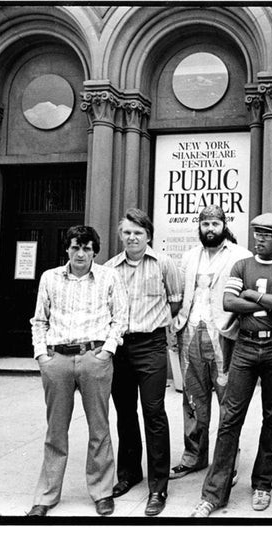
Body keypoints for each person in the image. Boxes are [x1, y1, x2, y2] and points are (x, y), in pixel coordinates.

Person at [191, 213, 272, 517]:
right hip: (246, 345)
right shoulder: (242, 265)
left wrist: (252, 295)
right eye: (257, 234)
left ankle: (262, 483)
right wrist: (266, 299)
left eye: (267, 235)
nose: (260, 239)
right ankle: (214, 494)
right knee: (230, 418)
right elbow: (230, 303)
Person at [28, 225, 128, 517]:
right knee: (55, 431)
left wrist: (107, 350)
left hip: (93, 357)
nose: (80, 253)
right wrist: (41, 355)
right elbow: (39, 320)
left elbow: (120, 318)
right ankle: (46, 496)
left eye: (86, 248)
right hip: (57, 359)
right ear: (67, 250)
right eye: (75, 247)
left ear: (95, 251)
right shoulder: (50, 278)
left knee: (99, 427)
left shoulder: (109, 277)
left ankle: (102, 493)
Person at [106, 208, 183, 516]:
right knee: (125, 411)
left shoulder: (164, 264)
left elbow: (175, 302)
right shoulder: (110, 268)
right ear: (121, 235)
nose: (132, 237)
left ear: (148, 235)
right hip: (120, 347)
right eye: (127, 232)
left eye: (138, 232)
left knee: (154, 412)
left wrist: (154, 323)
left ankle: (158, 485)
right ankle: (129, 473)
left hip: (151, 345)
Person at [170, 205, 251, 481]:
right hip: (191, 330)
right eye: (205, 224)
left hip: (225, 333)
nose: (210, 229)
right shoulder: (190, 256)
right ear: (200, 227)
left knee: (228, 399)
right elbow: (180, 293)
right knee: (193, 397)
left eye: (215, 224)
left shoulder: (241, 255)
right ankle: (194, 456)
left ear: (224, 225)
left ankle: (228, 462)